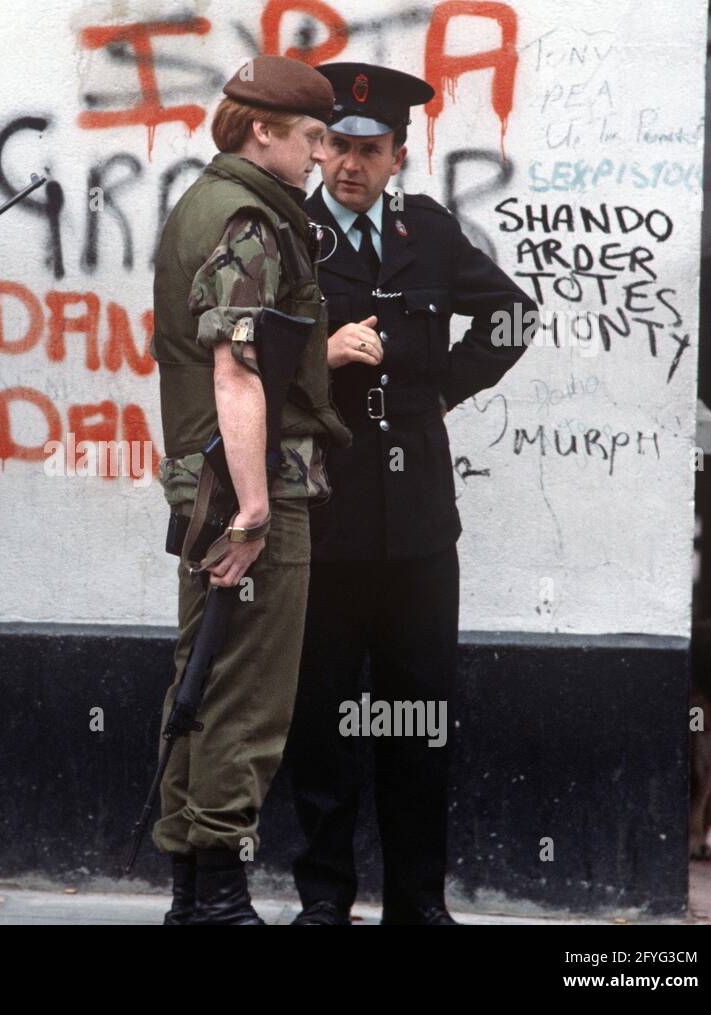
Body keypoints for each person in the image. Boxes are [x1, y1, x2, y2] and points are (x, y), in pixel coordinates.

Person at [284, 62, 533, 925]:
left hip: (420, 522)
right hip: (323, 511)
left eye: (370, 149)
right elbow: (240, 363)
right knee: (320, 712)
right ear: (318, 151)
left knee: (416, 710)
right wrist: (322, 352)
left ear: (398, 156)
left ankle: (417, 900)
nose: (351, 164)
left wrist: (441, 392)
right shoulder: (287, 235)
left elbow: (512, 315)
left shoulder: (426, 231)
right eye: (338, 147)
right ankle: (323, 897)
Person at [149, 55, 351, 925]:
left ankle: (194, 894)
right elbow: (236, 369)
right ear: (261, 129)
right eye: (310, 137)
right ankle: (221, 897)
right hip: (245, 487)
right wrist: (257, 506)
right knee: (248, 693)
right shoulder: (248, 216)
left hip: (212, 483)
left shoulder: (209, 201)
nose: (320, 155)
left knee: (204, 676)